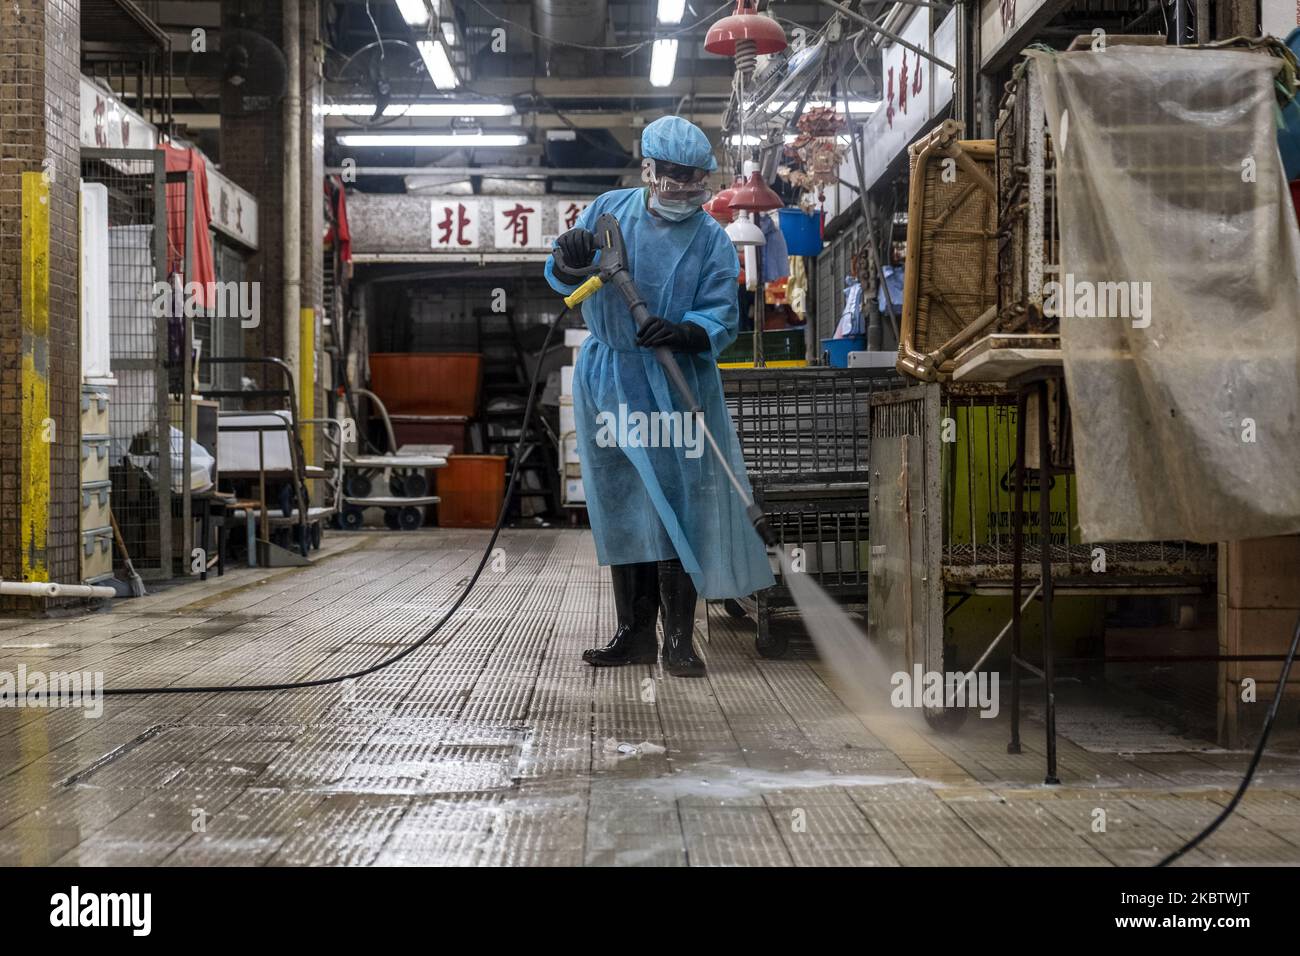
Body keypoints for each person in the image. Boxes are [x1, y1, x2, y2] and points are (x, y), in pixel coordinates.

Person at [544, 115, 775, 678]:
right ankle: (634, 634)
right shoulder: (608, 211)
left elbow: (721, 317)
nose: (682, 189)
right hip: (608, 377)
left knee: (676, 506)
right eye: (671, 177)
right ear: (648, 169)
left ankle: (678, 638)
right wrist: (566, 255)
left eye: (693, 180)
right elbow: (566, 278)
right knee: (623, 505)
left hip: (675, 384)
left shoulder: (712, 241)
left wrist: (685, 331)